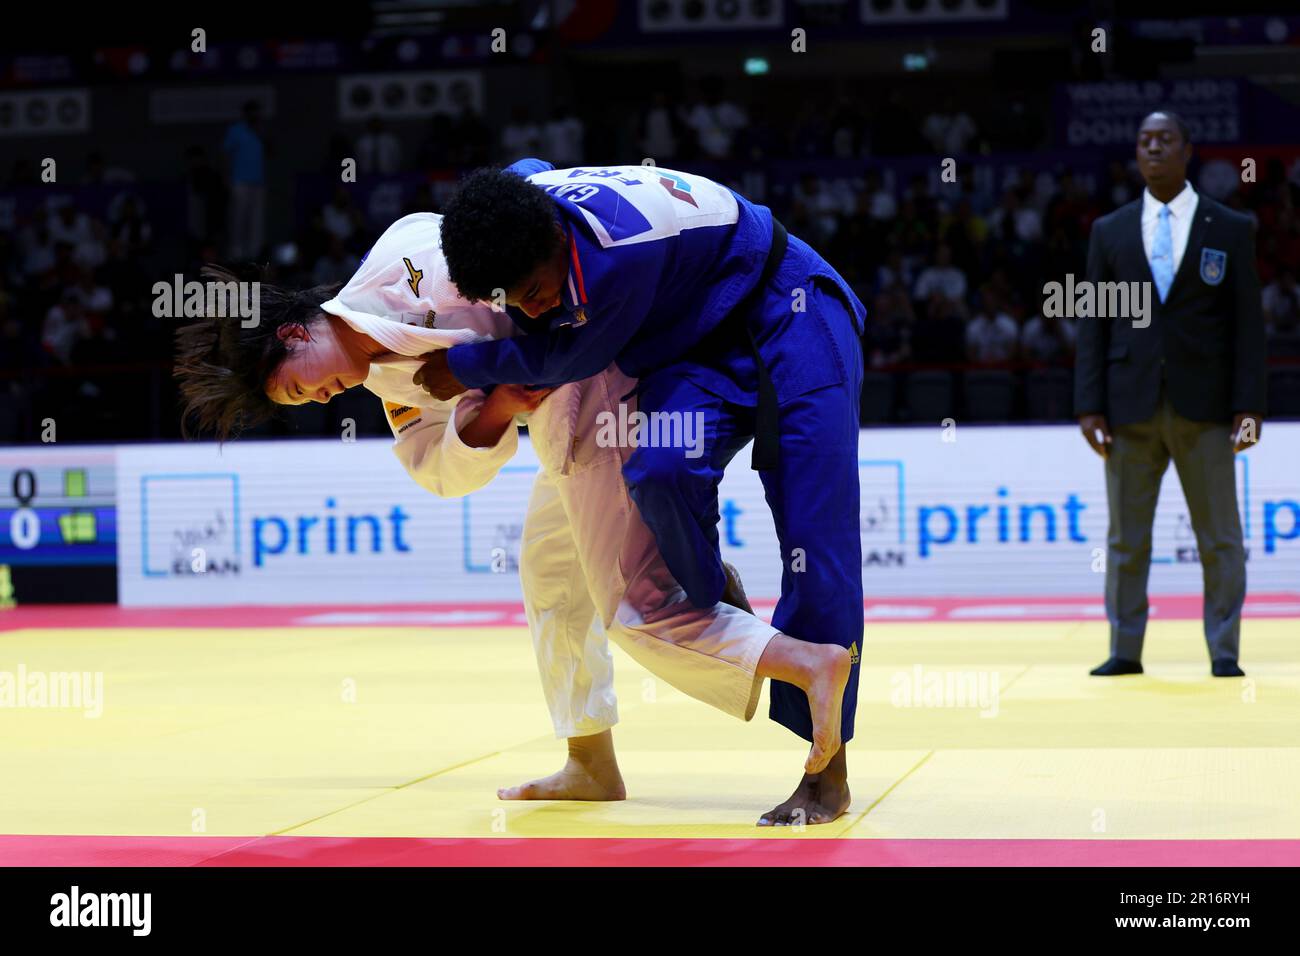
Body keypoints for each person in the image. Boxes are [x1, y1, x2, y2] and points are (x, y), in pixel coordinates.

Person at [173, 212, 850, 816]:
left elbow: (508, 255)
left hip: (600, 391)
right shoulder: (391, 383)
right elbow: (436, 467)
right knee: (550, 571)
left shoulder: (399, 258)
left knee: (634, 610)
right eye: (305, 403)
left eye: (302, 383)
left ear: (296, 331)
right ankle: (590, 760)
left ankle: (803, 660)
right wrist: (496, 406)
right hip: (563, 418)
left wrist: (493, 368)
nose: (320, 396)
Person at [424, 160, 867, 825]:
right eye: (512, 299)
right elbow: (528, 171)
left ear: (553, 237)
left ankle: (825, 770)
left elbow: (561, 360)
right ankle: (711, 578)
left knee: (815, 538)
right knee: (657, 470)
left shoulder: (613, 258)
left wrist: (460, 366)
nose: (530, 308)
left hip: (795, 312)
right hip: (700, 342)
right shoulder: (526, 206)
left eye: (537, 289)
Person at [1075, 110, 1266, 678]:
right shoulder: (1109, 231)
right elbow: (1093, 323)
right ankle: (1125, 649)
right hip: (1127, 405)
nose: (1153, 148)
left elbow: (1248, 326)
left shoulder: (1230, 227)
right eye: (1144, 141)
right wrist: (1088, 404)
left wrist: (1250, 406)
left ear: (1188, 150)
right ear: (1136, 153)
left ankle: (1225, 650)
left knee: (1220, 538)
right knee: (1127, 539)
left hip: (1206, 408)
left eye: (1165, 140)